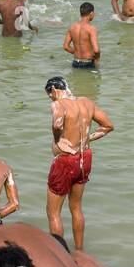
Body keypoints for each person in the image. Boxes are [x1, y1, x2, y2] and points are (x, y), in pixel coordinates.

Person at [45, 76, 113, 251]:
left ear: (53, 90)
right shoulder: (86, 102)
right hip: (84, 157)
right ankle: (80, 251)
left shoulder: (58, 104)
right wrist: (88, 138)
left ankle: (59, 255)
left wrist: (57, 140)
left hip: (65, 160)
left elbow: (57, 124)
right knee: (76, 208)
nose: (51, 99)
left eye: (50, 95)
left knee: (53, 213)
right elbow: (108, 126)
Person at [62, 2, 100, 69]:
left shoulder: (72, 27)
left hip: (75, 62)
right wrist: (97, 58)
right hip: (88, 63)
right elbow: (96, 50)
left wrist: (76, 52)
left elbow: (65, 46)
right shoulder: (91, 29)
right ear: (91, 14)